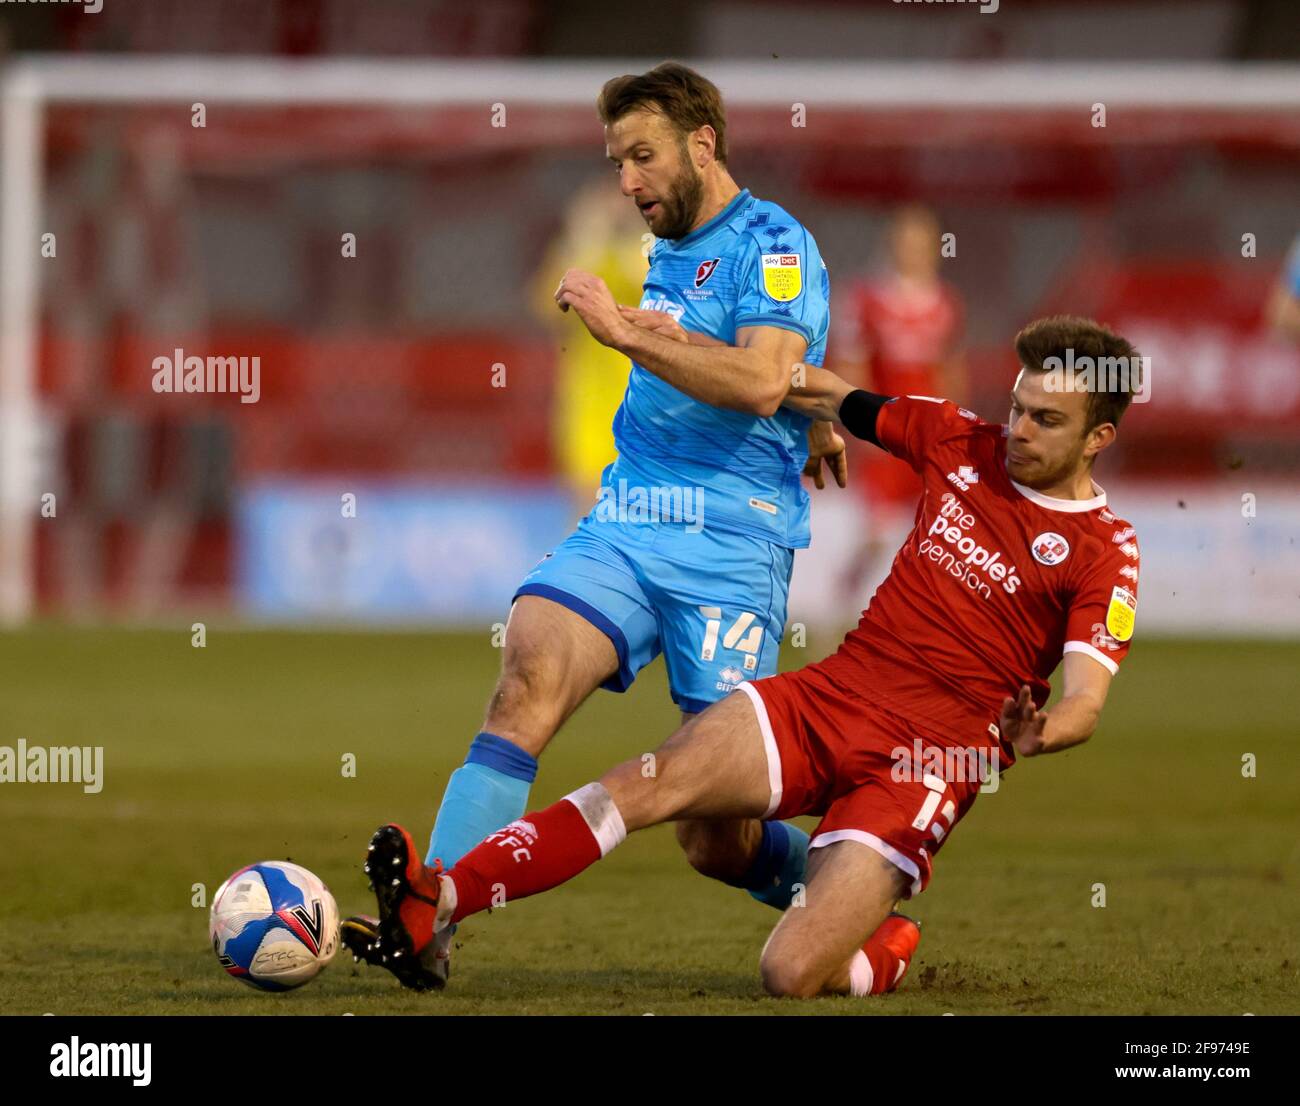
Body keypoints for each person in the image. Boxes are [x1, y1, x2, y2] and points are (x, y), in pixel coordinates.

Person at [357, 315, 1144, 998]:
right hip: (833, 695)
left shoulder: (1105, 552)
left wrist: (1041, 734)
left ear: (1098, 438)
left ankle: (879, 947)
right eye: (1017, 408)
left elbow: (1086, 697)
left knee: (789, 974)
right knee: (653, 795)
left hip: (928, 761)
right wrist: (673, 340)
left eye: (1046, 420)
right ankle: (442, 895)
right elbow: (813, 386)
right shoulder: (956, 438)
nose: (1019, 430)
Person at [343, 62, 848, 989]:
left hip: (732, 550)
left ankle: (839, 884)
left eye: (642, 157)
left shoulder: (776, 242)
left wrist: (630, 336)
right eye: (616, 161)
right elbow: (746, 363)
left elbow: (762, 376)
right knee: (526, 675)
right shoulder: (664, 242)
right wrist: (809, 411)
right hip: (629, 517)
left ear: (703, 144)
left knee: (712, 834)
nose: (626, 182)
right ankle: (432, 920)